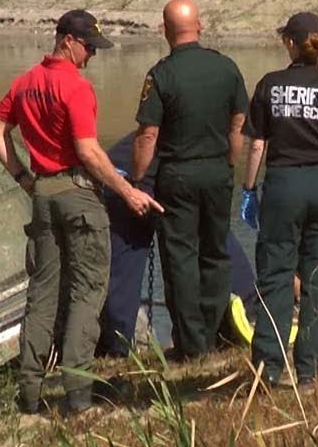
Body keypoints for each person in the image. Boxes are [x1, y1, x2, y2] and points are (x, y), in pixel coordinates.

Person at [0, 9, 162, 415]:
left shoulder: (24, 82)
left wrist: (22, 177)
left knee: (43, 293)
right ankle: (78, 393)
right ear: (66, 40)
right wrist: (128, 191)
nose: (92, 56)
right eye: (88, 47)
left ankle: (28, 393)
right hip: (79, 195)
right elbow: (87, 152)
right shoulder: (76, 88)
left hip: (43, 195)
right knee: (86, 292)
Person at [241, 11, 318, 388]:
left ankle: (269, 367)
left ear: (290, 44)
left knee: (276, 275)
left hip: (285, 185)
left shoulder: (270, 85)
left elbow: (258, 144)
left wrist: (249, 190)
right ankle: (310, 370)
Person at [128, 0, 248, 360]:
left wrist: (136, 181)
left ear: (165, 31)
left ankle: (191, 345)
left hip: (178, 174)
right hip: (216, 172)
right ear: (200, 26)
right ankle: (210, 336)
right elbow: (238, 123)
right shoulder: (226, 67)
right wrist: (228, 163)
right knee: (215, 253)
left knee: (181, 258)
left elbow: (148, 135)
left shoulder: (161, 74)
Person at [98, 131, 258, 357]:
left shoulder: (170, 134)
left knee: (126, 271)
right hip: (128, 181)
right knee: (209, 240)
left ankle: (118, 346)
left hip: (135, 178)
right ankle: (120, 345)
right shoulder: (198, 139)